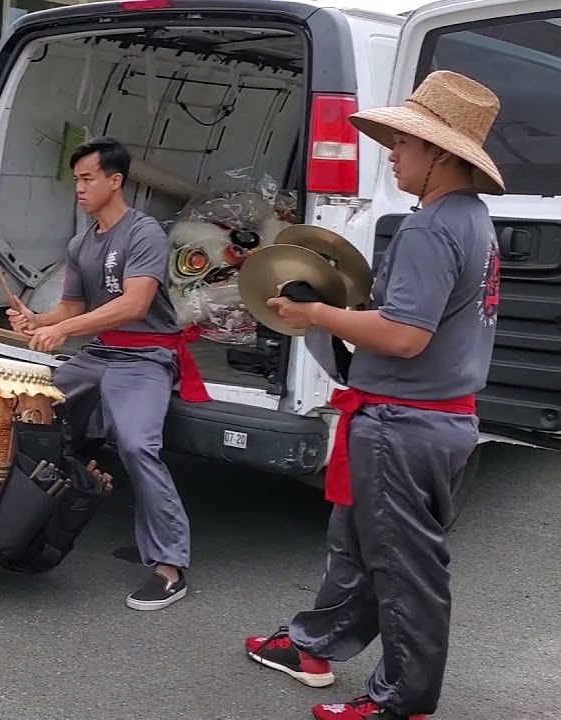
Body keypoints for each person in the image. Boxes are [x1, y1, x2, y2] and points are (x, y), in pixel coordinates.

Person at [242, 71, 504, 720]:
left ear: (440, 154)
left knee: (403, 568)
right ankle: (314, 643)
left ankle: (400, 702)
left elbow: (406, 336)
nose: (392, 151)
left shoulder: (429, 230)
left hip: (404, 424)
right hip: (427, 418)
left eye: (403, 142)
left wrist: (317, 317)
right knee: (361, 544)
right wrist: (341, 306)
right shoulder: (471, 218)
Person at [8, 136, 210, 611]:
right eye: (76, 179)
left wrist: (67, 329)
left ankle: (168, 566)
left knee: (138, 445)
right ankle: (12, 528)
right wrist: (37, 322)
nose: (78, 188)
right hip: (100, 352)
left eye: (87, 179)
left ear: (114, 181)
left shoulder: (144, 234)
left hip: (145, 357)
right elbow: (72, 306)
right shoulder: (82, 241)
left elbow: (135, 304)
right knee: (22, 413)